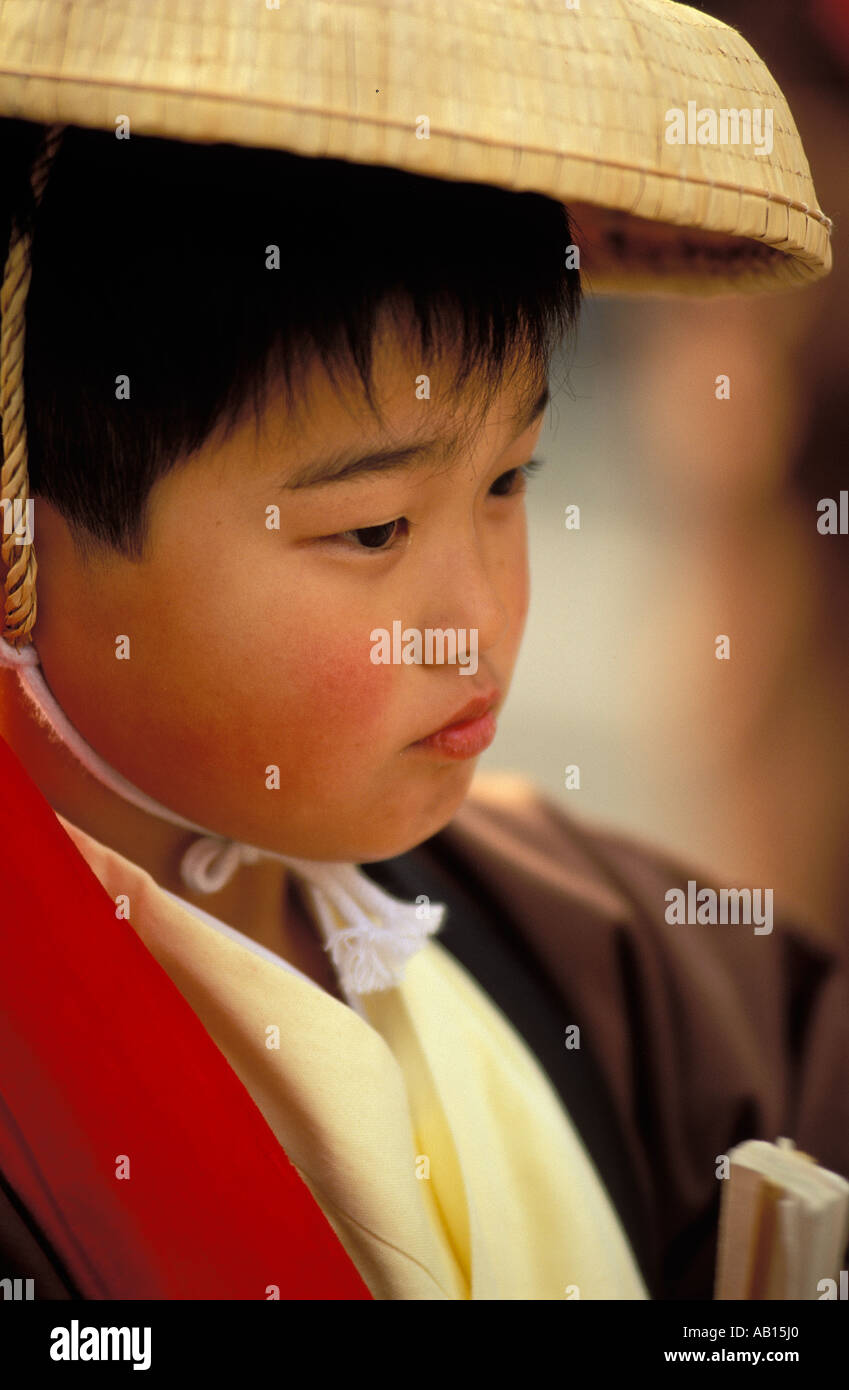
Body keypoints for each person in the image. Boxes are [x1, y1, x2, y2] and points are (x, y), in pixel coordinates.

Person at [0, 0, 845, 1301]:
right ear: (23, 531)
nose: (480, 618)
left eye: (511, 481)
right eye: (373, 527)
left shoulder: (588, 943)